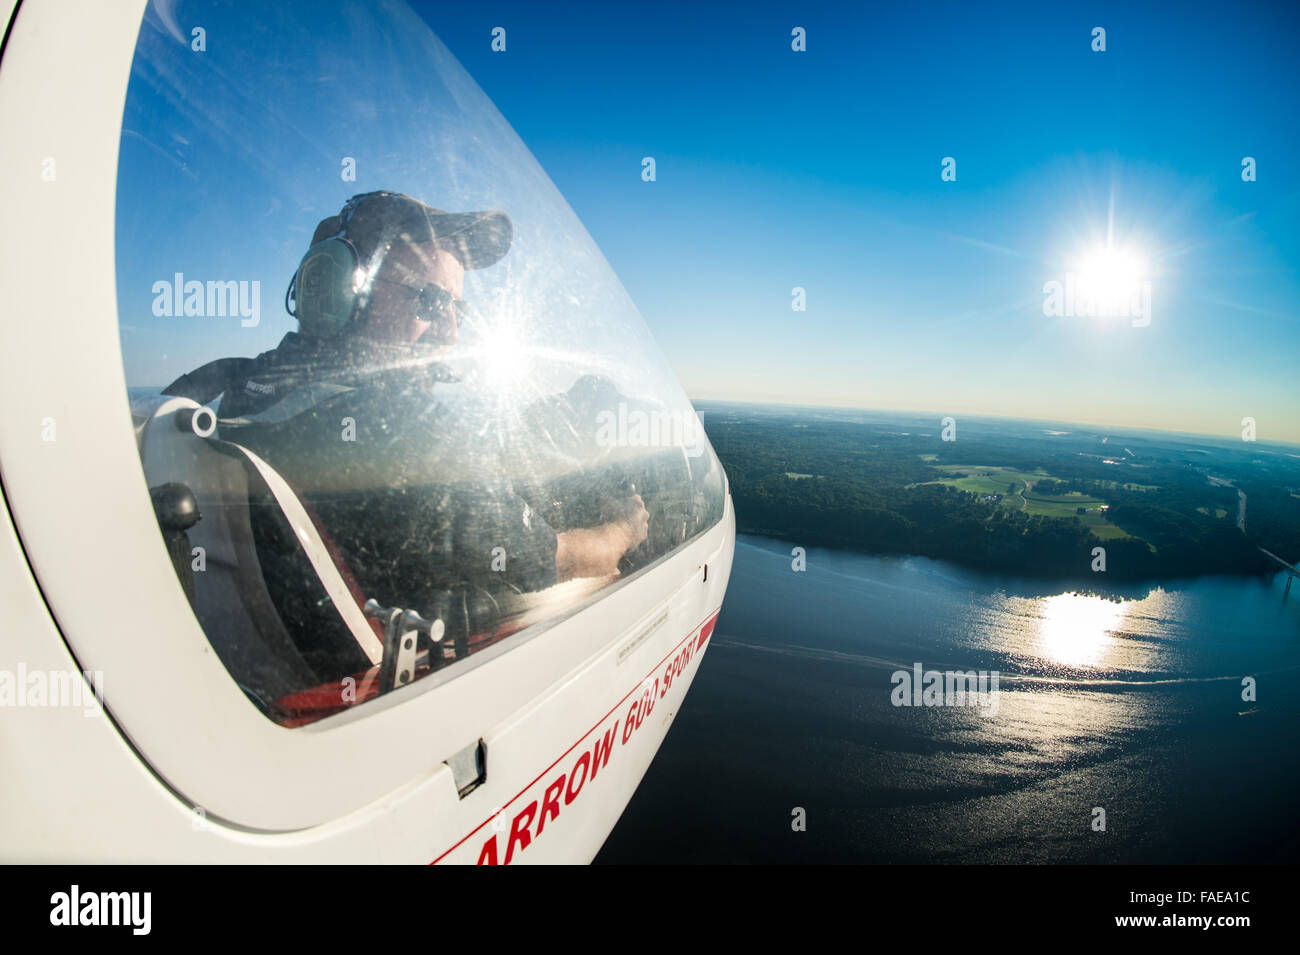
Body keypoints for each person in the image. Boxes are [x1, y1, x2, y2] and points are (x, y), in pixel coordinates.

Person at [163, 191, 648, 674]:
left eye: (458, 309)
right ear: (343, 291)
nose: (453, 333)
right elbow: (550, 558)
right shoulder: (416, 434)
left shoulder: (227, 388)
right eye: (432, 301)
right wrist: (622, 530)